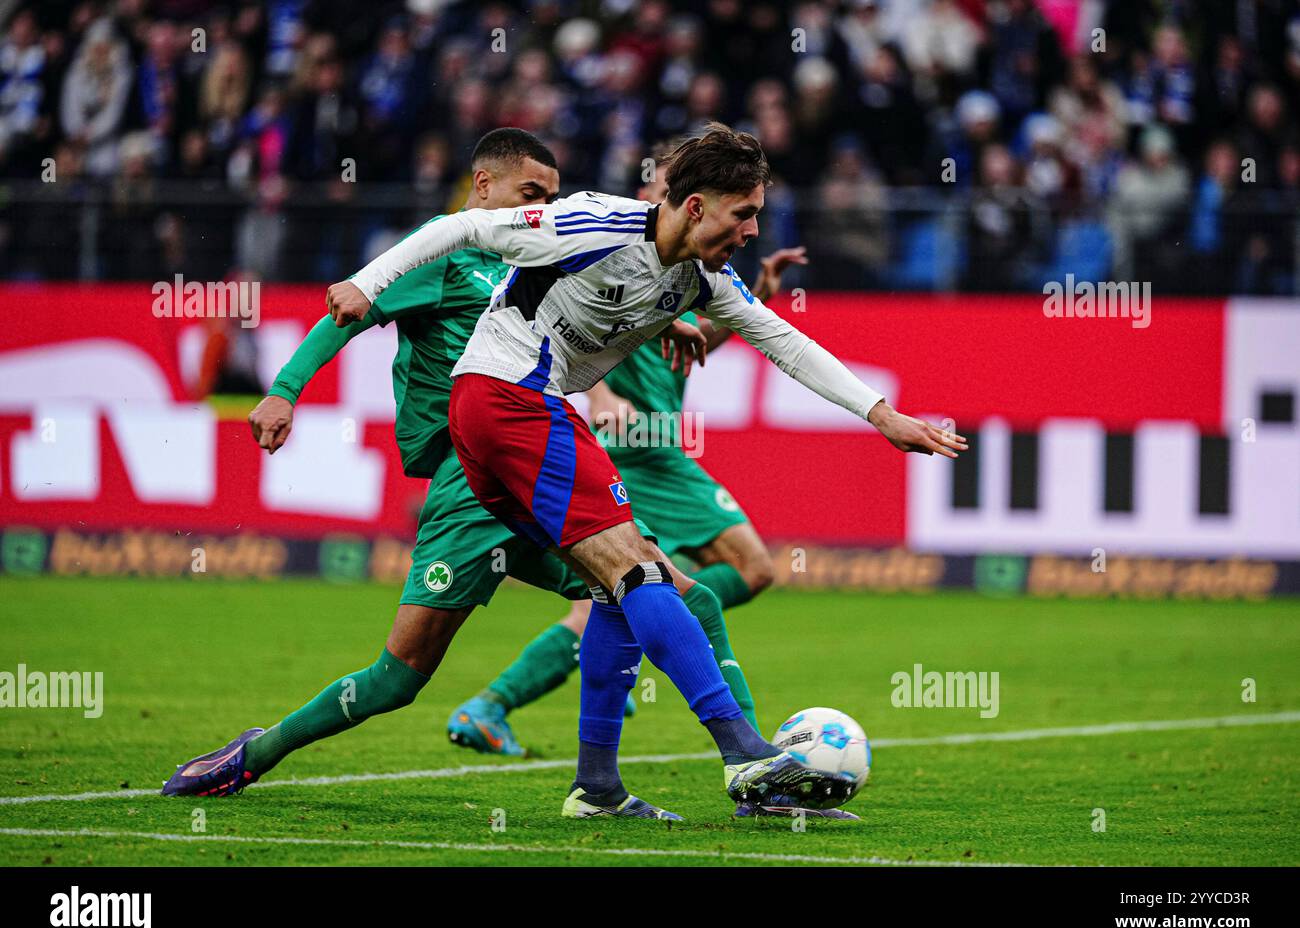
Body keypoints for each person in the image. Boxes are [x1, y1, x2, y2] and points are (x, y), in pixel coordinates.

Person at [324, 122, 967, 818]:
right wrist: (367, 282)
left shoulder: (701, 281)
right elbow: (464, 228)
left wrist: (883, 416)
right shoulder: (589, 221)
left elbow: (785, 343)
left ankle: (597, 788)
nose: (751, 230)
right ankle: (744, 752)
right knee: (645, 572)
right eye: (742, 212)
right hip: (505, 397)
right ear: (695, 207)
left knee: (615, 587)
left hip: (517, 407)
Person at [163, 129, 748, 820]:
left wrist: (668, 318)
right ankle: (254, 754)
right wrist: (285, 389)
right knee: (396, 680)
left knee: (662, 594)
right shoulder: (450, 253)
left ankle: (672, 779)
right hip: (469, 486)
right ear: (483, 188)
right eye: (530, 194)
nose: (542, 208)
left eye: (551, 198)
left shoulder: (545, 248)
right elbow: (350, 311)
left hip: (537, 464)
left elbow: (593, 314)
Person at [447, 149, 806, 753]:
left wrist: (757, 298)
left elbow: (683, 348)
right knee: (713, 575)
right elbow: (574, 325)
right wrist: (604, 395)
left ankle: (503, 705)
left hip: (656, 439)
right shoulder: (616, 241)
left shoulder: (688, 262)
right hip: (638, 448)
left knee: (622, 591)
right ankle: (744, 752)